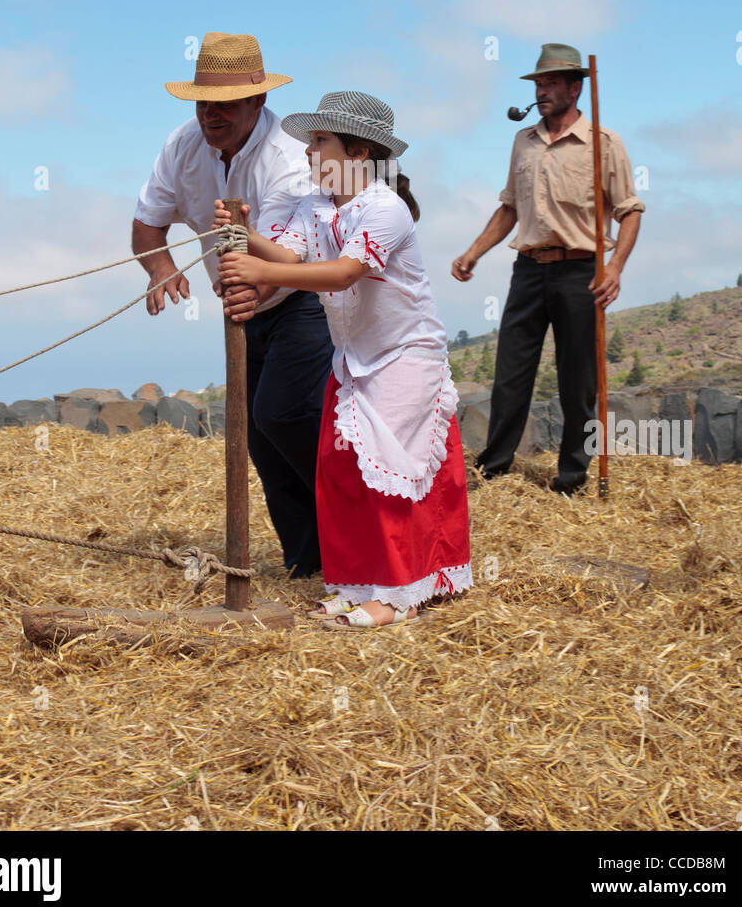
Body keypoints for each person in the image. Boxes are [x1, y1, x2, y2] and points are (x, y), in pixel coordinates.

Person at [216, 91, 472, 629]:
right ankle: (356, 583)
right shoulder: (315, 206)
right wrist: (247, 234)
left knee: (388, 473)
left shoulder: (386, 209)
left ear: (357, 152)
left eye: (320, 141)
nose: (308, 152)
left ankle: (398, 591)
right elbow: (290, 255)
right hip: (355, 357)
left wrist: (259, 274)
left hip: (405, 356)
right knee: (342, 472)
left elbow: (343, 273)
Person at [132, 32, 334, 577]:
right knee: (259, 440)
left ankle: (349, 529)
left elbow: (280, 260)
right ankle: (308, 563)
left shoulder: (289, 159)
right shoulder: (181, 146)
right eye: (202, 101)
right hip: (241, 311)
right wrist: (160, 266)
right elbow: (148, 222)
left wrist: (256, 290)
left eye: (223, 103)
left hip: (300, 301)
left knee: (283, 415)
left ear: (257, 101)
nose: (209, 114)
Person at [451, 43, 645, 495]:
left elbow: (630, 210)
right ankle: (493, 468)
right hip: (527, 270)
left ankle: (572, 477)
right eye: (538, 84)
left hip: (583, 273)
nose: (541, 91)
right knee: (510, 375)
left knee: (577, 382)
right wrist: (473, 251)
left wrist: (614, 267)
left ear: (575, 88)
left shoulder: (604, 144)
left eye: (551, 83)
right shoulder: (523, 141)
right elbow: (510, 208)